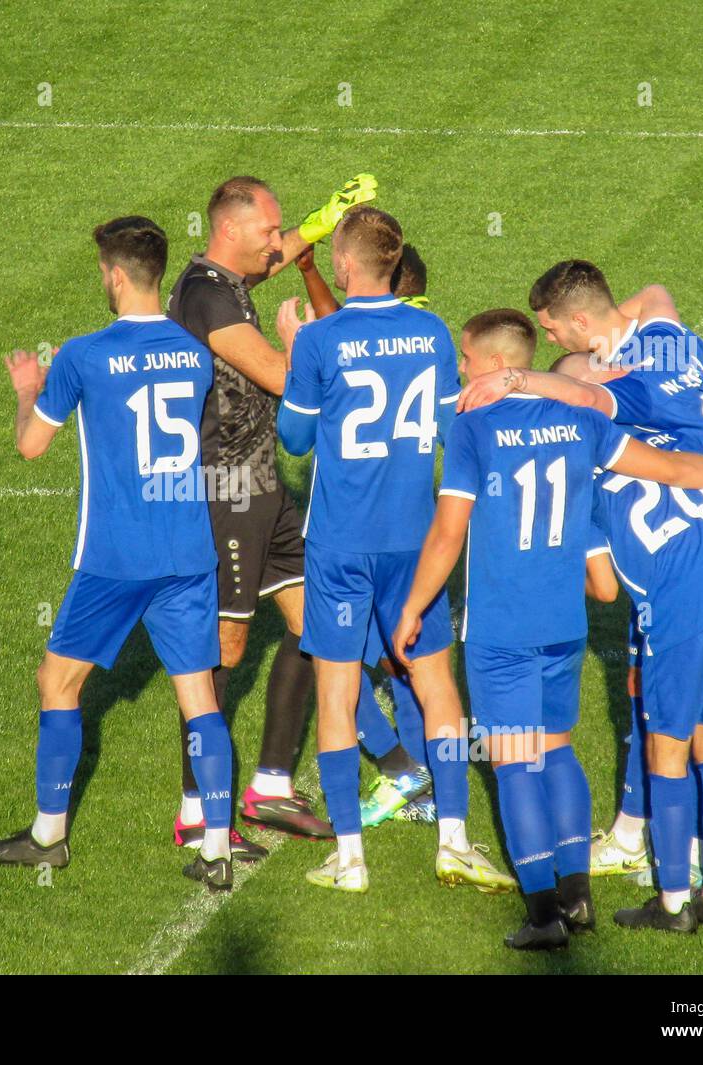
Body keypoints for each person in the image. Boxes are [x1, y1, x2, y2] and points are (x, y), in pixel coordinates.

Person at [392, 308, 703, 949]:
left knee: (514, 765)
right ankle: (580, 896)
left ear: (494, 364)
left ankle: (543, 918)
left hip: (502, 627)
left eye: (466, 359)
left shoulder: (471, 428)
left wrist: (413, 606)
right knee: (558, 751)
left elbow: (449, 531)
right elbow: (670, 470)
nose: (460, 369)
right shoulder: (586, 422)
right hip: (565, 624)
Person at [461, 265, 703, 899]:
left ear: (581, 326)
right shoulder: (665, 333)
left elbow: (587, 401)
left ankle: (698, 863)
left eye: (559, 332)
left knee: (681, 715)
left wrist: (517, 379)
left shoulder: (620, 407)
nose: (557, 342)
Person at [0, 217, 236, 891]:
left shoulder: (84, 357)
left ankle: (48, 836)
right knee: (198, 697)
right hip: (187, 549)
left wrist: (32, 386)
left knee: (57, 683)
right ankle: (216, 845)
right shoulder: (194, 353)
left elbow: (30, 445)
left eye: (101, 270)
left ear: (116, 276)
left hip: (116, 555)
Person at [165, 174, 376, 849]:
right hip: (226, 494)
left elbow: (280, 252)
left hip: (265, 490)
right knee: (223, 648)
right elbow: (281, 377)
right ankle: (197, 810)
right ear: (230, 229)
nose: (274, 243)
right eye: (267, 229)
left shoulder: (227, 277)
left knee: (320, 626)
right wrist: (304, 339)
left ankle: (271, 787)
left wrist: (323, 221)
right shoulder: (205, 296)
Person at [275, 205, 475, 892]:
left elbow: (296, 440)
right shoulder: (433, 331)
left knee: (336, 689)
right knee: (435, 681)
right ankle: (454, 839)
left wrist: (295, 344)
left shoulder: (320, 339)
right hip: (417, 541)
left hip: (341, 543)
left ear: (344, 264)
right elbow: (452, 430)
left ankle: (352, 859)